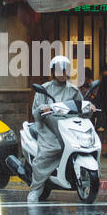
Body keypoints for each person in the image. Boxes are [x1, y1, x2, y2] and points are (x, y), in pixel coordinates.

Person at [27, 54, 93, 203]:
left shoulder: (73, 90)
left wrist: (89, 108)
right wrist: (42, 109)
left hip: (69, 128)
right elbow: (36, 111)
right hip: (48, 127)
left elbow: (82, 109)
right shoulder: (44, 89)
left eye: (65, 70)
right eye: (59, 70)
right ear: (53, 71)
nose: (62, 73)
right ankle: (36, 189)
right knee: (50, 150)